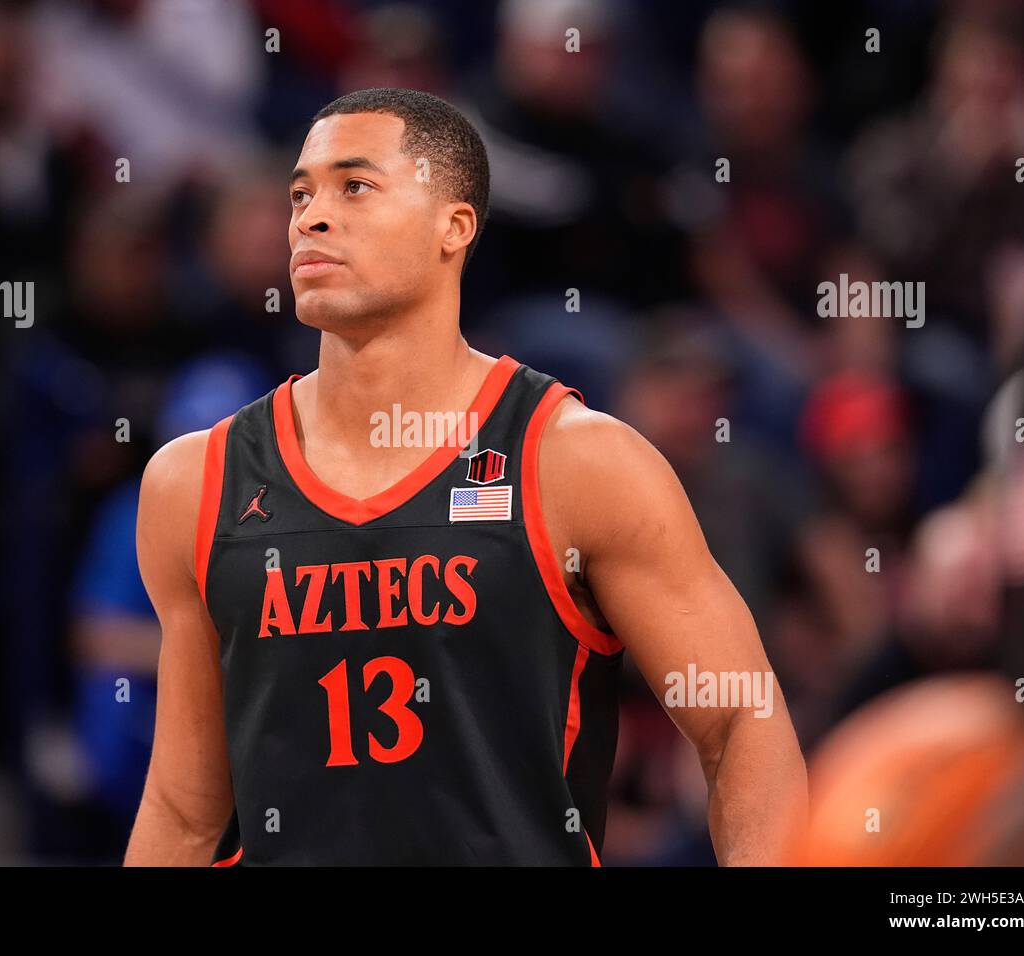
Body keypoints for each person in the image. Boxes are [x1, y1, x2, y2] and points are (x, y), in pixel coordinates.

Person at [124, 88, 806, 866]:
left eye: (355, 186)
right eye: (301, 193)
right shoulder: (194, 481)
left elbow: (741, 721)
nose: (311, 217)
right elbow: (183, 811)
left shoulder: (576, 462)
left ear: (454, 226)